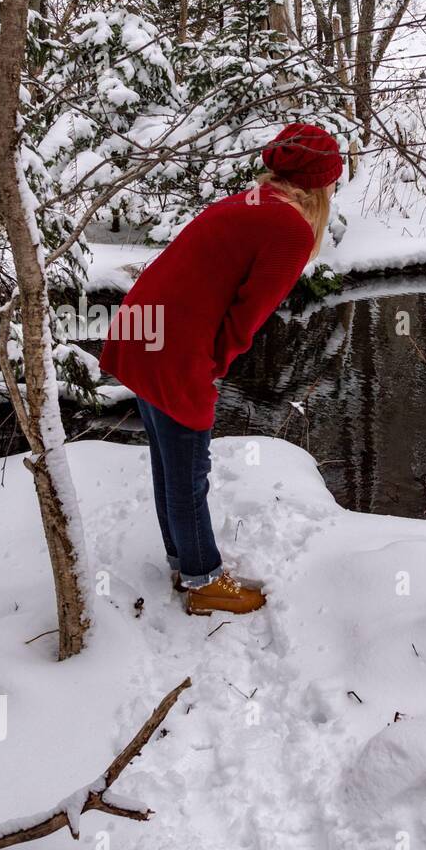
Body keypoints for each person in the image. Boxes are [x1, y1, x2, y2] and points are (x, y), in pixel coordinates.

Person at [101, 123, 343, 615]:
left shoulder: (254, 201)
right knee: (189, 469)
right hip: (173, 346)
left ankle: (183, 559)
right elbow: (245, 317)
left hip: (143, 328)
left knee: (169, 462)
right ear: (319, 183)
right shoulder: (291, 227)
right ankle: (203, 581)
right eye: (335, 180)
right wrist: (212, 367)